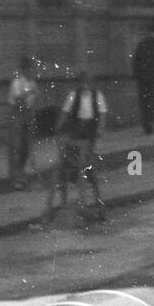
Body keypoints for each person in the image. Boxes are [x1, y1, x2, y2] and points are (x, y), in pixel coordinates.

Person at [55, 70, 108, 219]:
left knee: (86, 159)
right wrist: (59, 126)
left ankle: (87, 190)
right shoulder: (74, 95)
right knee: (72, 157)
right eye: (83, 82)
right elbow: (66, 112)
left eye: (88, 83)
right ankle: (76, 185)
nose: (86, 86)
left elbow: (102, 114)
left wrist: (100, 129)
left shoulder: (97, 95)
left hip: (90, 128)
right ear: (80, 83)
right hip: (77, 127)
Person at [7, 56, 40, 188]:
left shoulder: (33, 84)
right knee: (17, 146)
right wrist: (30, 92)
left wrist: (32, 114)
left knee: (26, 147)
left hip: (28, 115)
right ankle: (16, 177)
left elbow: (34, 101)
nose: (31, 71)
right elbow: (18, 99)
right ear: (23, 70)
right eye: (29, 69)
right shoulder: (17, 83)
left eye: (32, 69)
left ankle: (21, 172)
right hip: (17, 115)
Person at [133, 22, 154, 135]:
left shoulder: (141, 44)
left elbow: (135, 61)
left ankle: (146, 125)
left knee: (144, 102)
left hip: (142, 79)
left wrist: (137, 75)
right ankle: (150, 122)